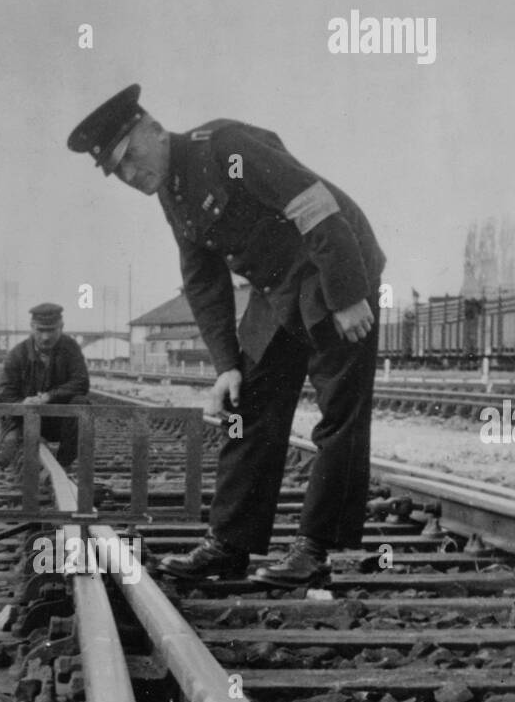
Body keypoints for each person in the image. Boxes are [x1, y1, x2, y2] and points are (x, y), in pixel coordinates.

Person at [67, 85, 385, 586]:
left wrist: (347, 294)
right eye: (118, 171)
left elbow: (314, 205)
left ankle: (313, 551)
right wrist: (226, 365)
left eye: (130, 157)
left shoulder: (225, 148)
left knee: (340, 413)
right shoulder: (169, 190)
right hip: (278, 287)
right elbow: (202, 279)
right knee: (247, 404)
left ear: (153, 128)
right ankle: (230, 544)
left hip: (333, 267)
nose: (130, 175)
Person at [0, 302, 89, 471]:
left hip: (56, 421)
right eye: (40, 330)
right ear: (31, 328)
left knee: (81, 403)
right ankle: (18, 439)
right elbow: (4, 394)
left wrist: (48, 397)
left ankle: (62, 465)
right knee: (4, 458)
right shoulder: (17, 354)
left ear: (61, 327)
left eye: (51, 330)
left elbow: (81, 382)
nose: (45, 337)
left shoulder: (71, 348)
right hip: (24, 418)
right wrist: (24, 405)